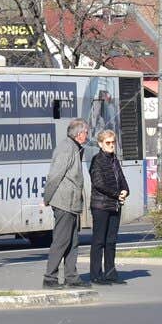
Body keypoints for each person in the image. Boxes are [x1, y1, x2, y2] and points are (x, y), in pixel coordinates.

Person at [41, 118, 89, 288]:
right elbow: (55, 175)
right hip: (64, 202)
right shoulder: (66, 148)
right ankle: (50, 278)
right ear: (79, 134)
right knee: (61, 241)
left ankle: (71, 277)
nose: (87, 136)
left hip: (72, 203)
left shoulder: (74, 147)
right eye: (86, 133)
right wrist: (47, 198)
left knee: (73, 241)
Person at [88, 128, 129, 286]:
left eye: (113, 142)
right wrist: (116, 194)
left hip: (114, 205)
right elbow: (98, 183)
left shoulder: (114, 160)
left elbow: (122, 179)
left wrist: (125, 190)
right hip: (100, 205)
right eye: (108, 143)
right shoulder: (97, 160)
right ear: (100, 144)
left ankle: (111, 273)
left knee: (111, 240)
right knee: (99, 241)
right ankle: (96, 274)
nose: (111, 145)